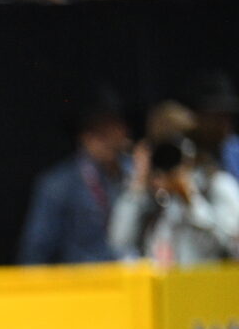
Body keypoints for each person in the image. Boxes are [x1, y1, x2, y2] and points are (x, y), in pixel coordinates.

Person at [17, 92, 130, 265]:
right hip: (83, 276)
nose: (109, 140)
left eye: (113, 129)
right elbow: (36, 251)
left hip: (135, 274)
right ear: (84, 135)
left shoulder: (137, 174)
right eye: (99, 132)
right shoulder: (57, 185)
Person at [108, 137, 239, 265]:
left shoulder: (217, 185)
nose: (171, 168)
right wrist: (138, 185)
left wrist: (190, 199)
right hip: (166, 278)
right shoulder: (152, 199)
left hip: (212, 277)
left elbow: (229, 242)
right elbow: (119, 241)